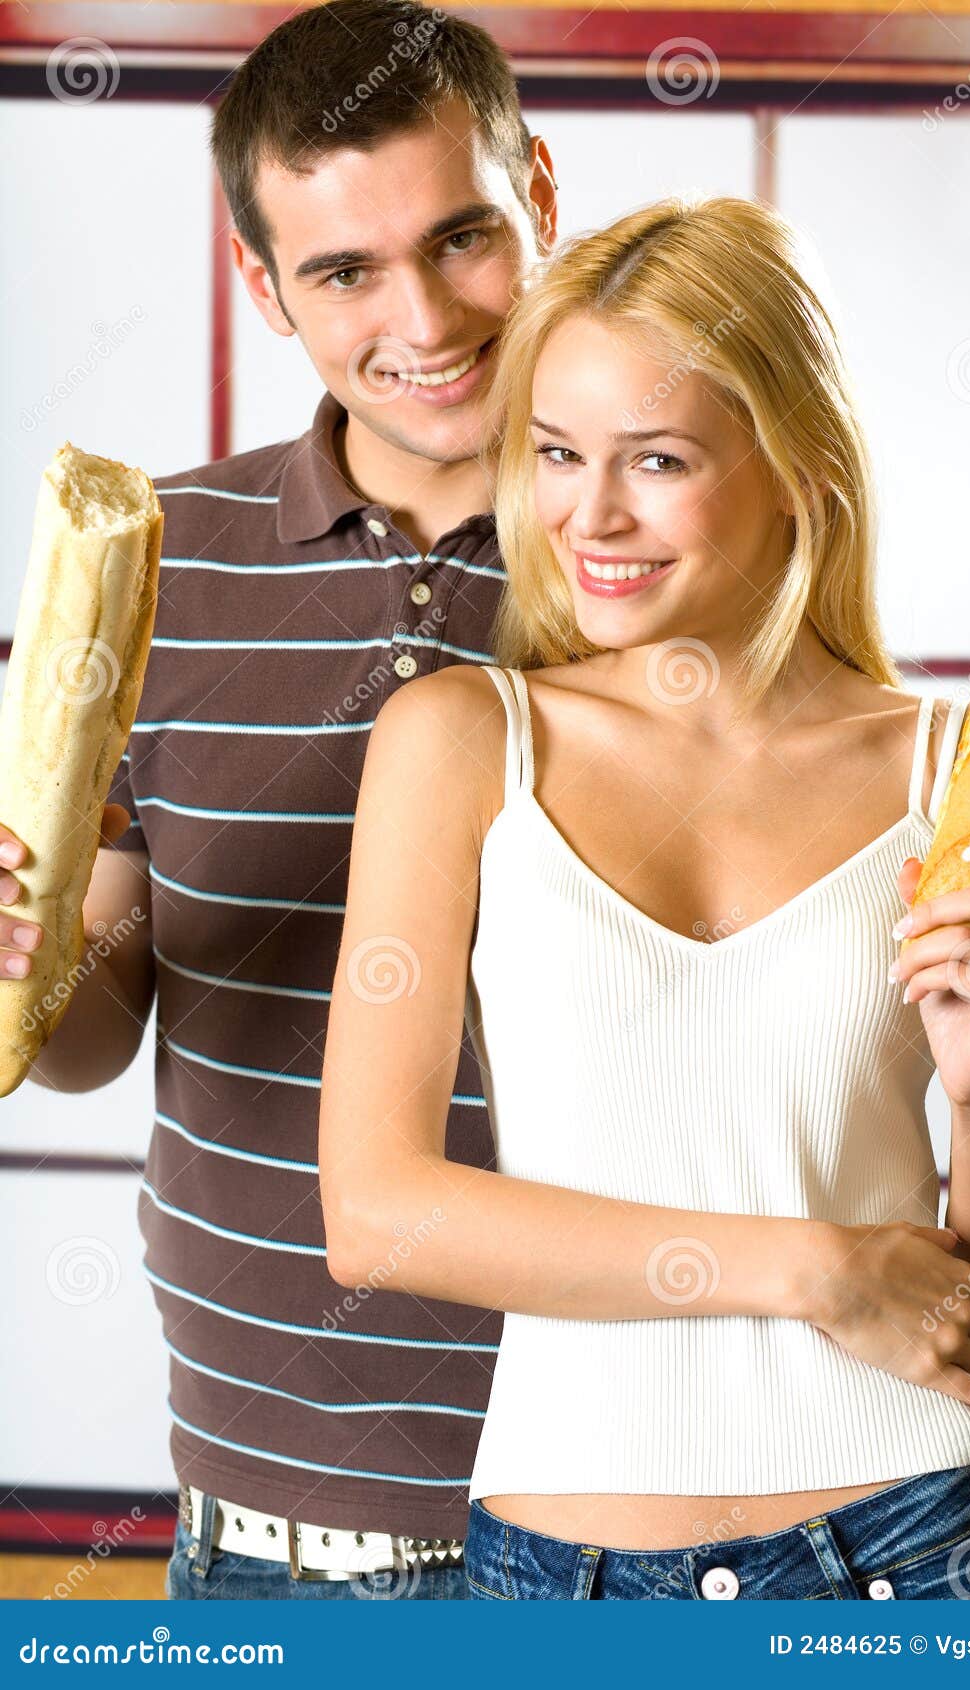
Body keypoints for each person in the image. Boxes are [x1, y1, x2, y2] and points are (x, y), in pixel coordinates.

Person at [318, 195, 970, 1600]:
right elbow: (377, 1212)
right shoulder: (460, 741)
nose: (589, 516)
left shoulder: (960, 771)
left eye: (656, 461)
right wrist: (812, 1267)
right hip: (566, 1579)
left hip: (924, 1539)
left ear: (796, 467)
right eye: (554, 453)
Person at [0, 0, 556, 1599]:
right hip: (260, 1519)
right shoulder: (159, 563)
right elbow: (103, 1020)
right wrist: (25, 961)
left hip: (608, 1503)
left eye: (464, 237)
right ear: (264, 285)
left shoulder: (655, 557)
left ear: (541, 189)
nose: (426, 317)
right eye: (344, 272)